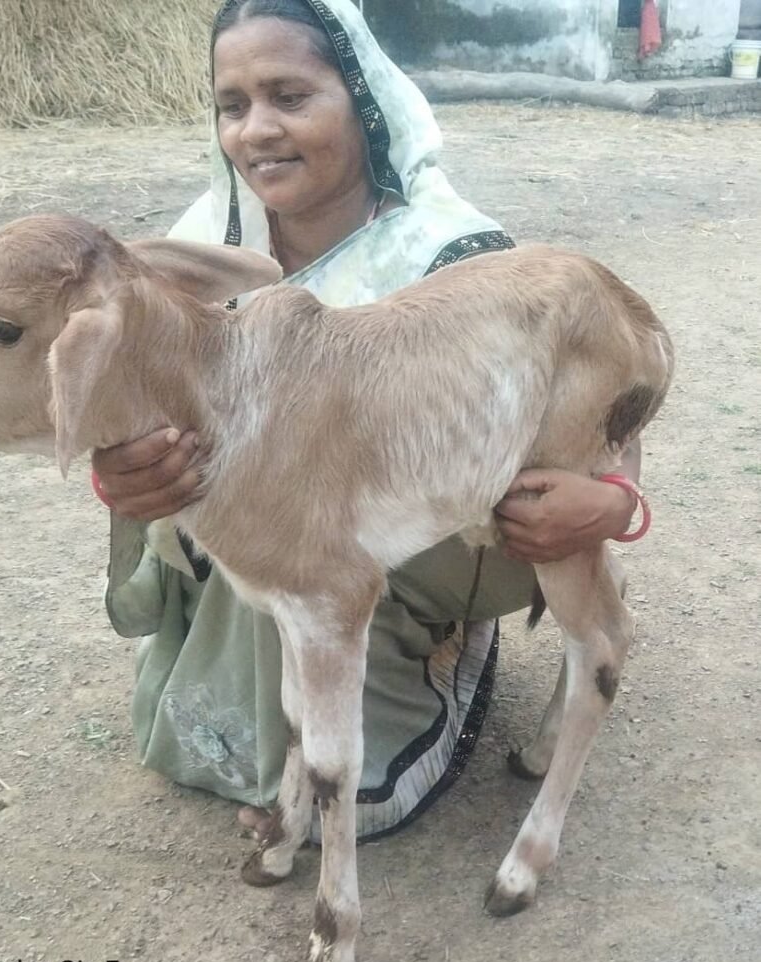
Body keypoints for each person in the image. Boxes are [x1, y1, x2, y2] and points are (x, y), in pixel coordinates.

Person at [91, 0, 642, 841]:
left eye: (290, 95)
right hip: (265, 548)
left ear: (363, 97)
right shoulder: (197, 253)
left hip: (413, 549)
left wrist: (616, 503)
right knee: (238, 730)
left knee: (356, 797)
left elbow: (592, 386)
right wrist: (121, 477)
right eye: (232, 106)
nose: (258, 130)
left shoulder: (456, 255)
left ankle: (449, 645)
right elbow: (125, 405)